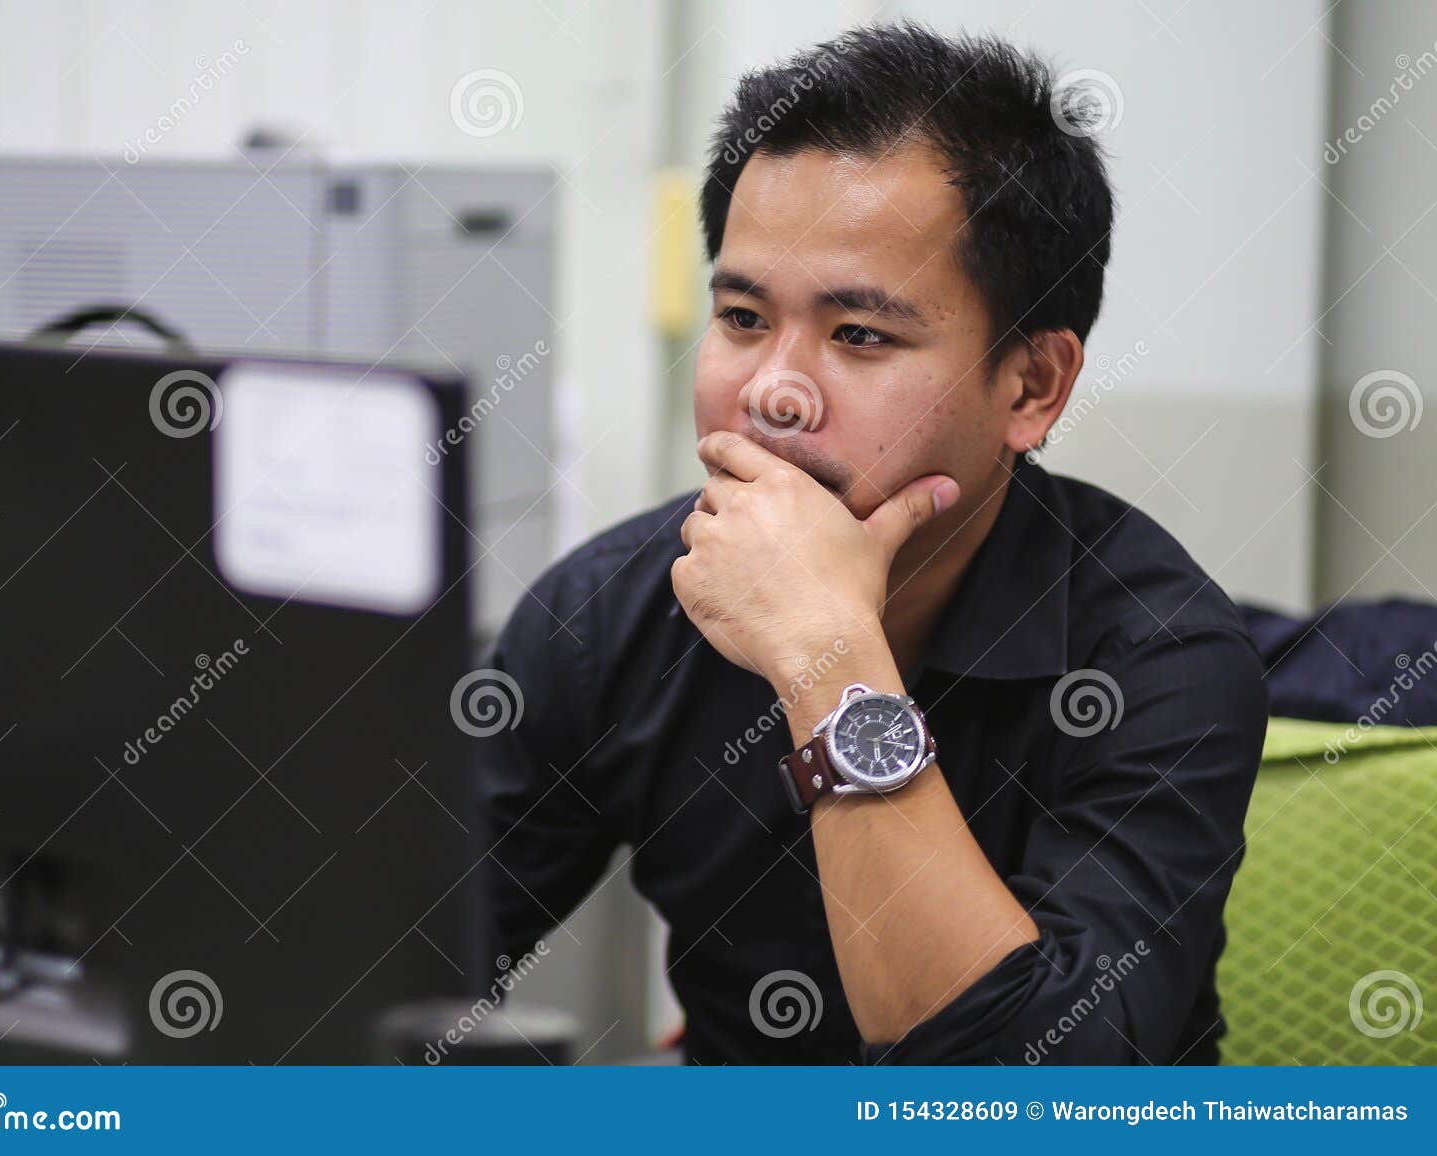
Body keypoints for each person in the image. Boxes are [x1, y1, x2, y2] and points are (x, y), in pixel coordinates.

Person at [479, 20, 1267, 1064]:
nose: (773, 389)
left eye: (860, 336)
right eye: (743, 316)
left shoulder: (1160, 655)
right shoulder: (608, 610)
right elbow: (356, 970)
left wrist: (825, 656)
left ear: (1031, 386)